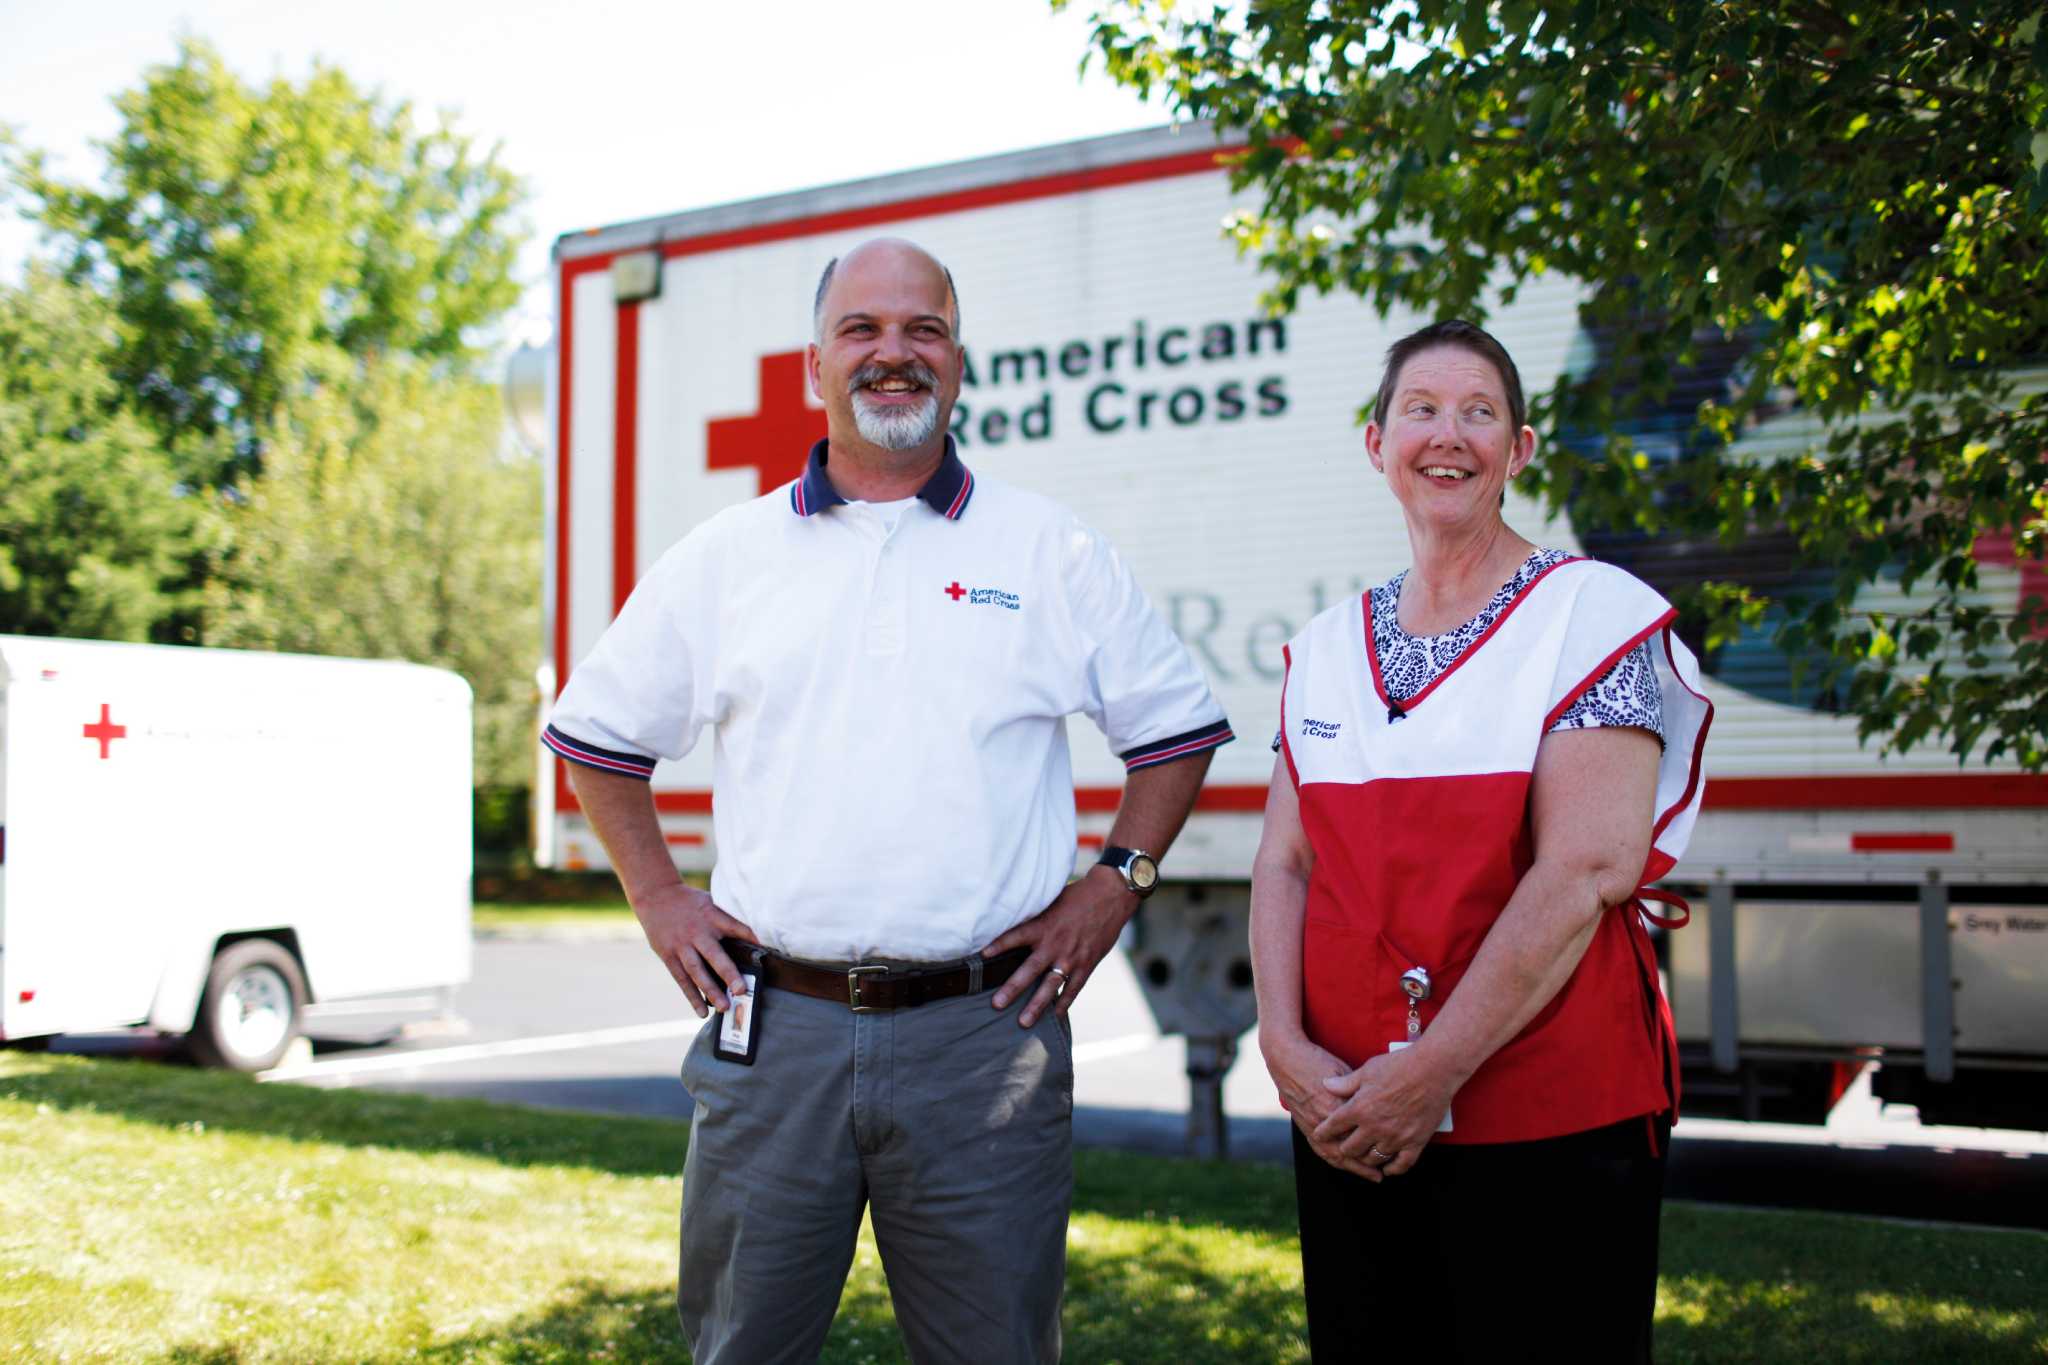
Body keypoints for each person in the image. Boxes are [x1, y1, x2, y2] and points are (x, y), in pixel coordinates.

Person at [543, 237, 1232, 1364]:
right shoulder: (728, 556)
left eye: (922, 329)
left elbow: (1173, 732)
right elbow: (598, 740)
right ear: (816, 364)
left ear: (957, 361)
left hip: (984, 1043)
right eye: (861, 330)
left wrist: (1115, 887)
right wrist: (660, 897)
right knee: (741, 1350)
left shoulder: (1047, 549)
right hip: (776, 1038)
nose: (892, 354)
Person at [1252, 319, 1712, 1361]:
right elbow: (1284, 862)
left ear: (1520, 449)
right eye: (1419, 410)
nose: (1445, 435)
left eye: (1477, 412)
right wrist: (1280, 1044)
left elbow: (1588, 867)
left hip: (1546, 1114)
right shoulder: (1325, 646)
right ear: (1376, 443)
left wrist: (1432, 1074)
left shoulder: (1595, 617)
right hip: (1350, 1116)